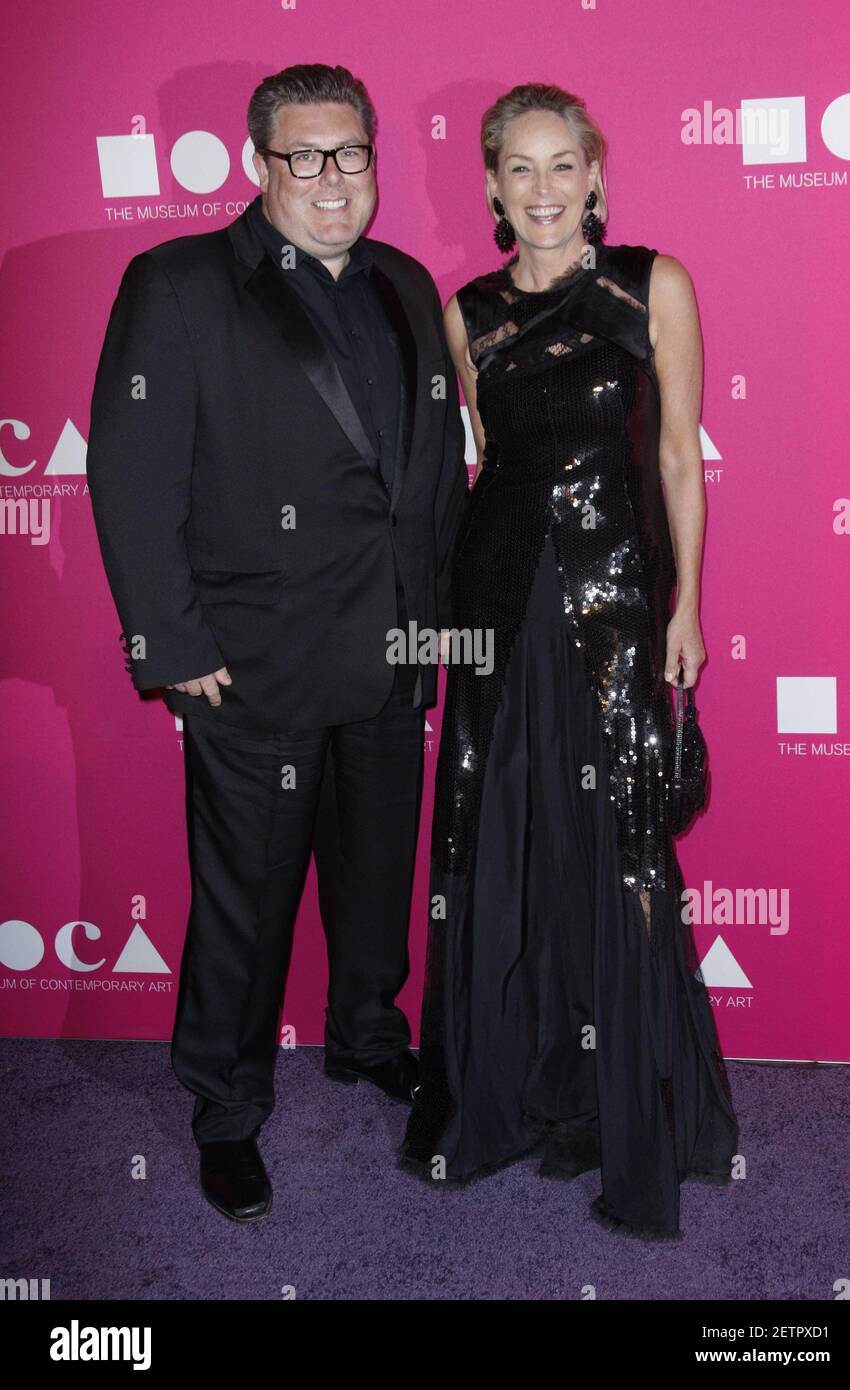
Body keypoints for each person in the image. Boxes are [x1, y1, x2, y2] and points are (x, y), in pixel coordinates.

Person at [87, 63, 469, 1223]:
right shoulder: (181, 284)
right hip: (249, 660)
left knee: (375, 877)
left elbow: (421, 483)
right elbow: (130, 472)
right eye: (304, 156)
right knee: (245, 902)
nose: (332, 178)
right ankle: (223, 1106)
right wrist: (171, 640)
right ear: (259, 165)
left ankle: (365, 1036)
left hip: (394, 652)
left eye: (350, 152)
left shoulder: (407, 283)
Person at [401, 83, 739, 1239]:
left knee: (620, 838)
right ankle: (514, 1091)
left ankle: (630, 1106)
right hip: (497, 605)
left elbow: (679, 461)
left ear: (594, 174)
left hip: (615, 602)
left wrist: (686, 603)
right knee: (507, 834)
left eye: (563, 167)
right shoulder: (468, 310)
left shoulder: (654, 285)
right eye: (520, 169)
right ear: (490, 184)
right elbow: (490, 462)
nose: (543, 191)